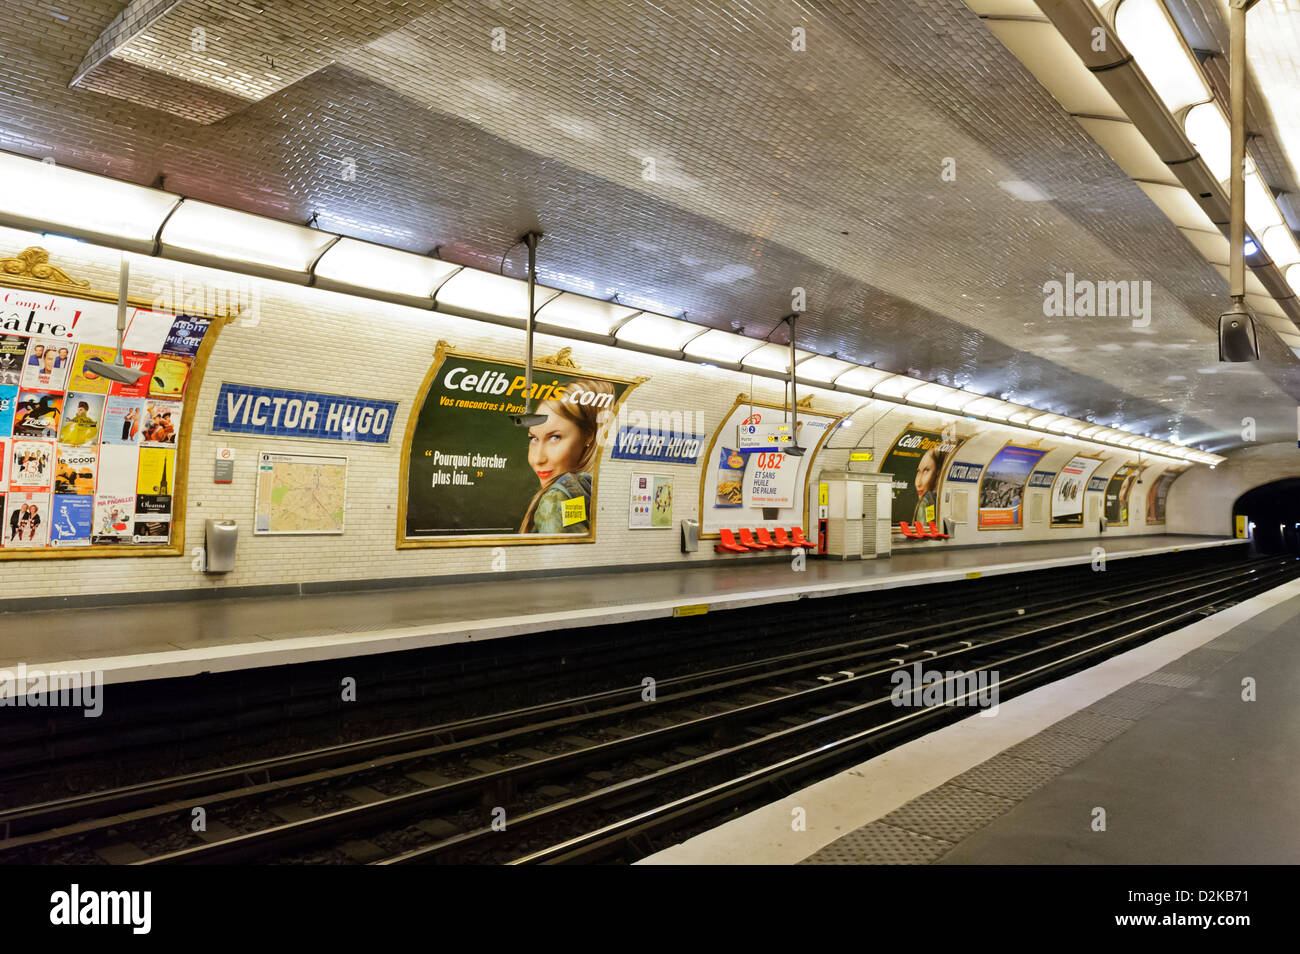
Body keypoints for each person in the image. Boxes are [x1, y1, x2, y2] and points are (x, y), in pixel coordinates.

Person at [518, 378, 616, 534]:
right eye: (534, 439)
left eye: (555, 437)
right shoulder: (600, 490)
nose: (538, 459)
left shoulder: (558, 498)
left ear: (589, 436)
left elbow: (555, 557)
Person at [911, 444, 949, 526]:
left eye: (926, 471)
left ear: (938, 474)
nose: (918, 483)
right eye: (918, 471)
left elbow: (927, 527)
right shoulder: (938, 500)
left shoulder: (926, 501)